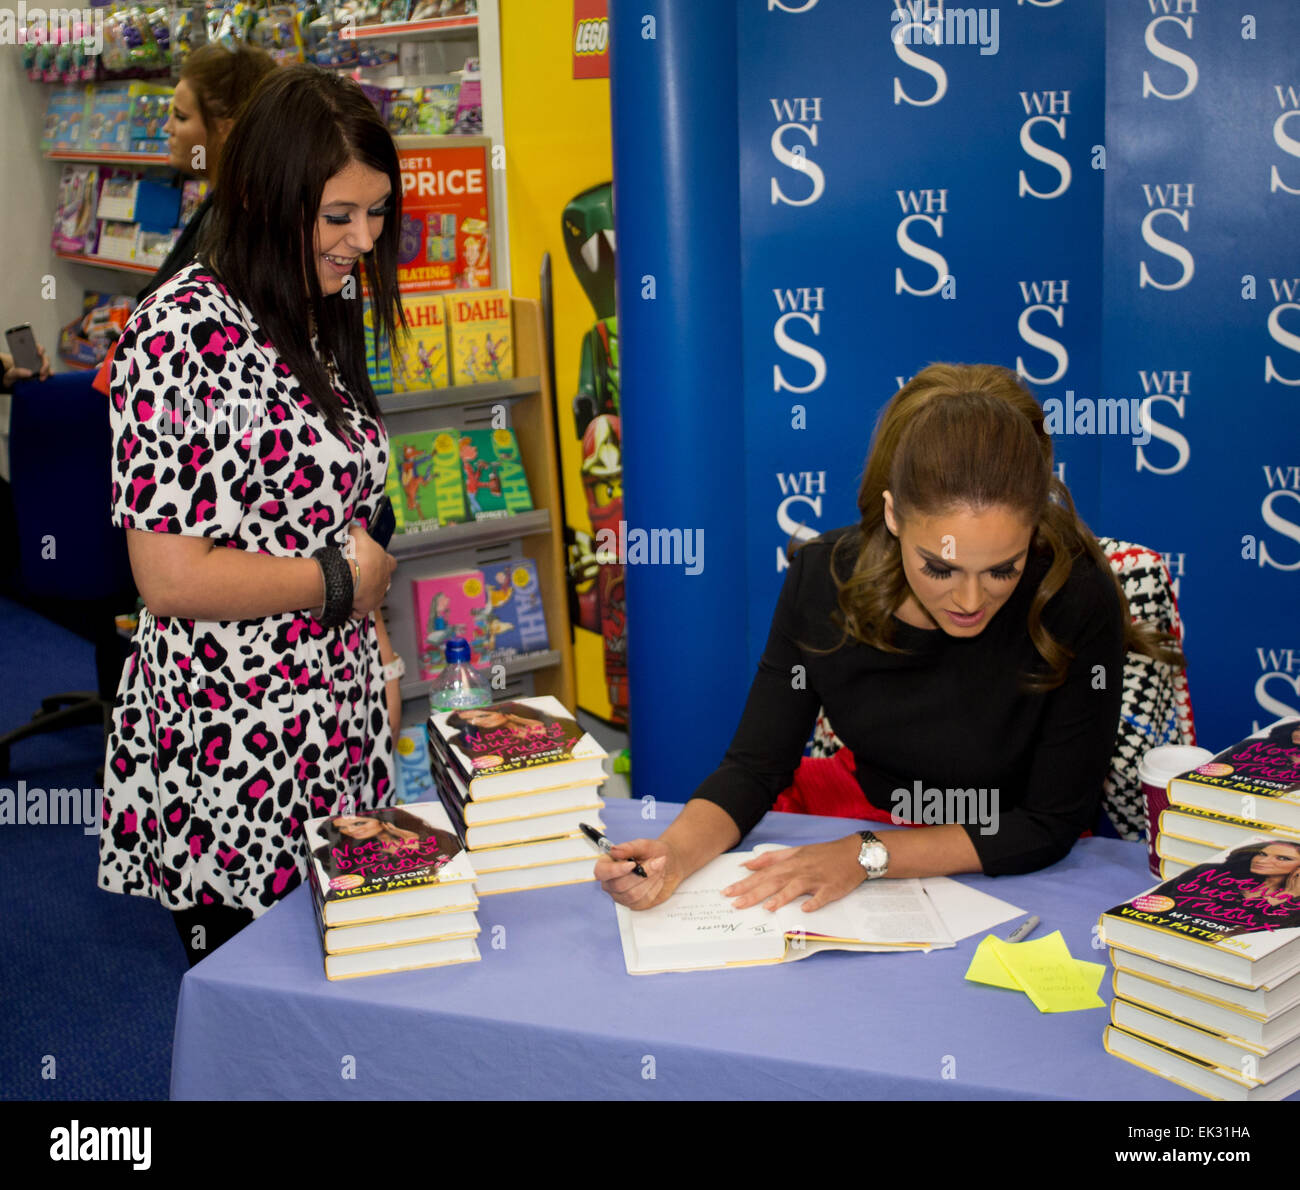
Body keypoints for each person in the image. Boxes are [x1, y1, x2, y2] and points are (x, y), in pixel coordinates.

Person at [598, 364, 1184, 913]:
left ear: (1032, 530)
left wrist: (866, 856)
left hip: (1004, 845)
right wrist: (673, 854)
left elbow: (1049, 823)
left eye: (1002, 570)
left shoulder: (1076, 595)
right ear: (894, 517)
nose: (971, 600)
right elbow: (755, 768)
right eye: (940, 568)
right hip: (861, 808)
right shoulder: (824, 579)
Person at [99, 64, 409, 966]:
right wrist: (341, 583)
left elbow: (345, 511)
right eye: (339, 216)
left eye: (377, 211)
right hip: (232, 736)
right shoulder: (178, 332)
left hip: (334, 714)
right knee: (259, 998)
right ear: (272, 198)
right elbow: (169, 575)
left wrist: (378, 647)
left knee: (354, 978)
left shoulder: (316, 309)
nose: (364, 239)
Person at [139, 41, 277, 304]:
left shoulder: (236, 229)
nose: (167, 128)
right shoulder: (230, 208)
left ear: (226, 129)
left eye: (180, 117)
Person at [1157, 841, 1300, 937]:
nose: (1261, 861)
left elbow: (1262, 934)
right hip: (1166, 934)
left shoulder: (1294, 902)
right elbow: (1199, 914)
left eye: (1283, 858)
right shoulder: (1211, 873)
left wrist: (1288, 896)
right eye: (1262, 854)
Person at [313, 809, 462, 874]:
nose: (351, 830)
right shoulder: (338, 853)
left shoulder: (436, 837)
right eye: (342, 828)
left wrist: (416, 841)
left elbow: (453, 865)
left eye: (359, 823)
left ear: (383, 820)